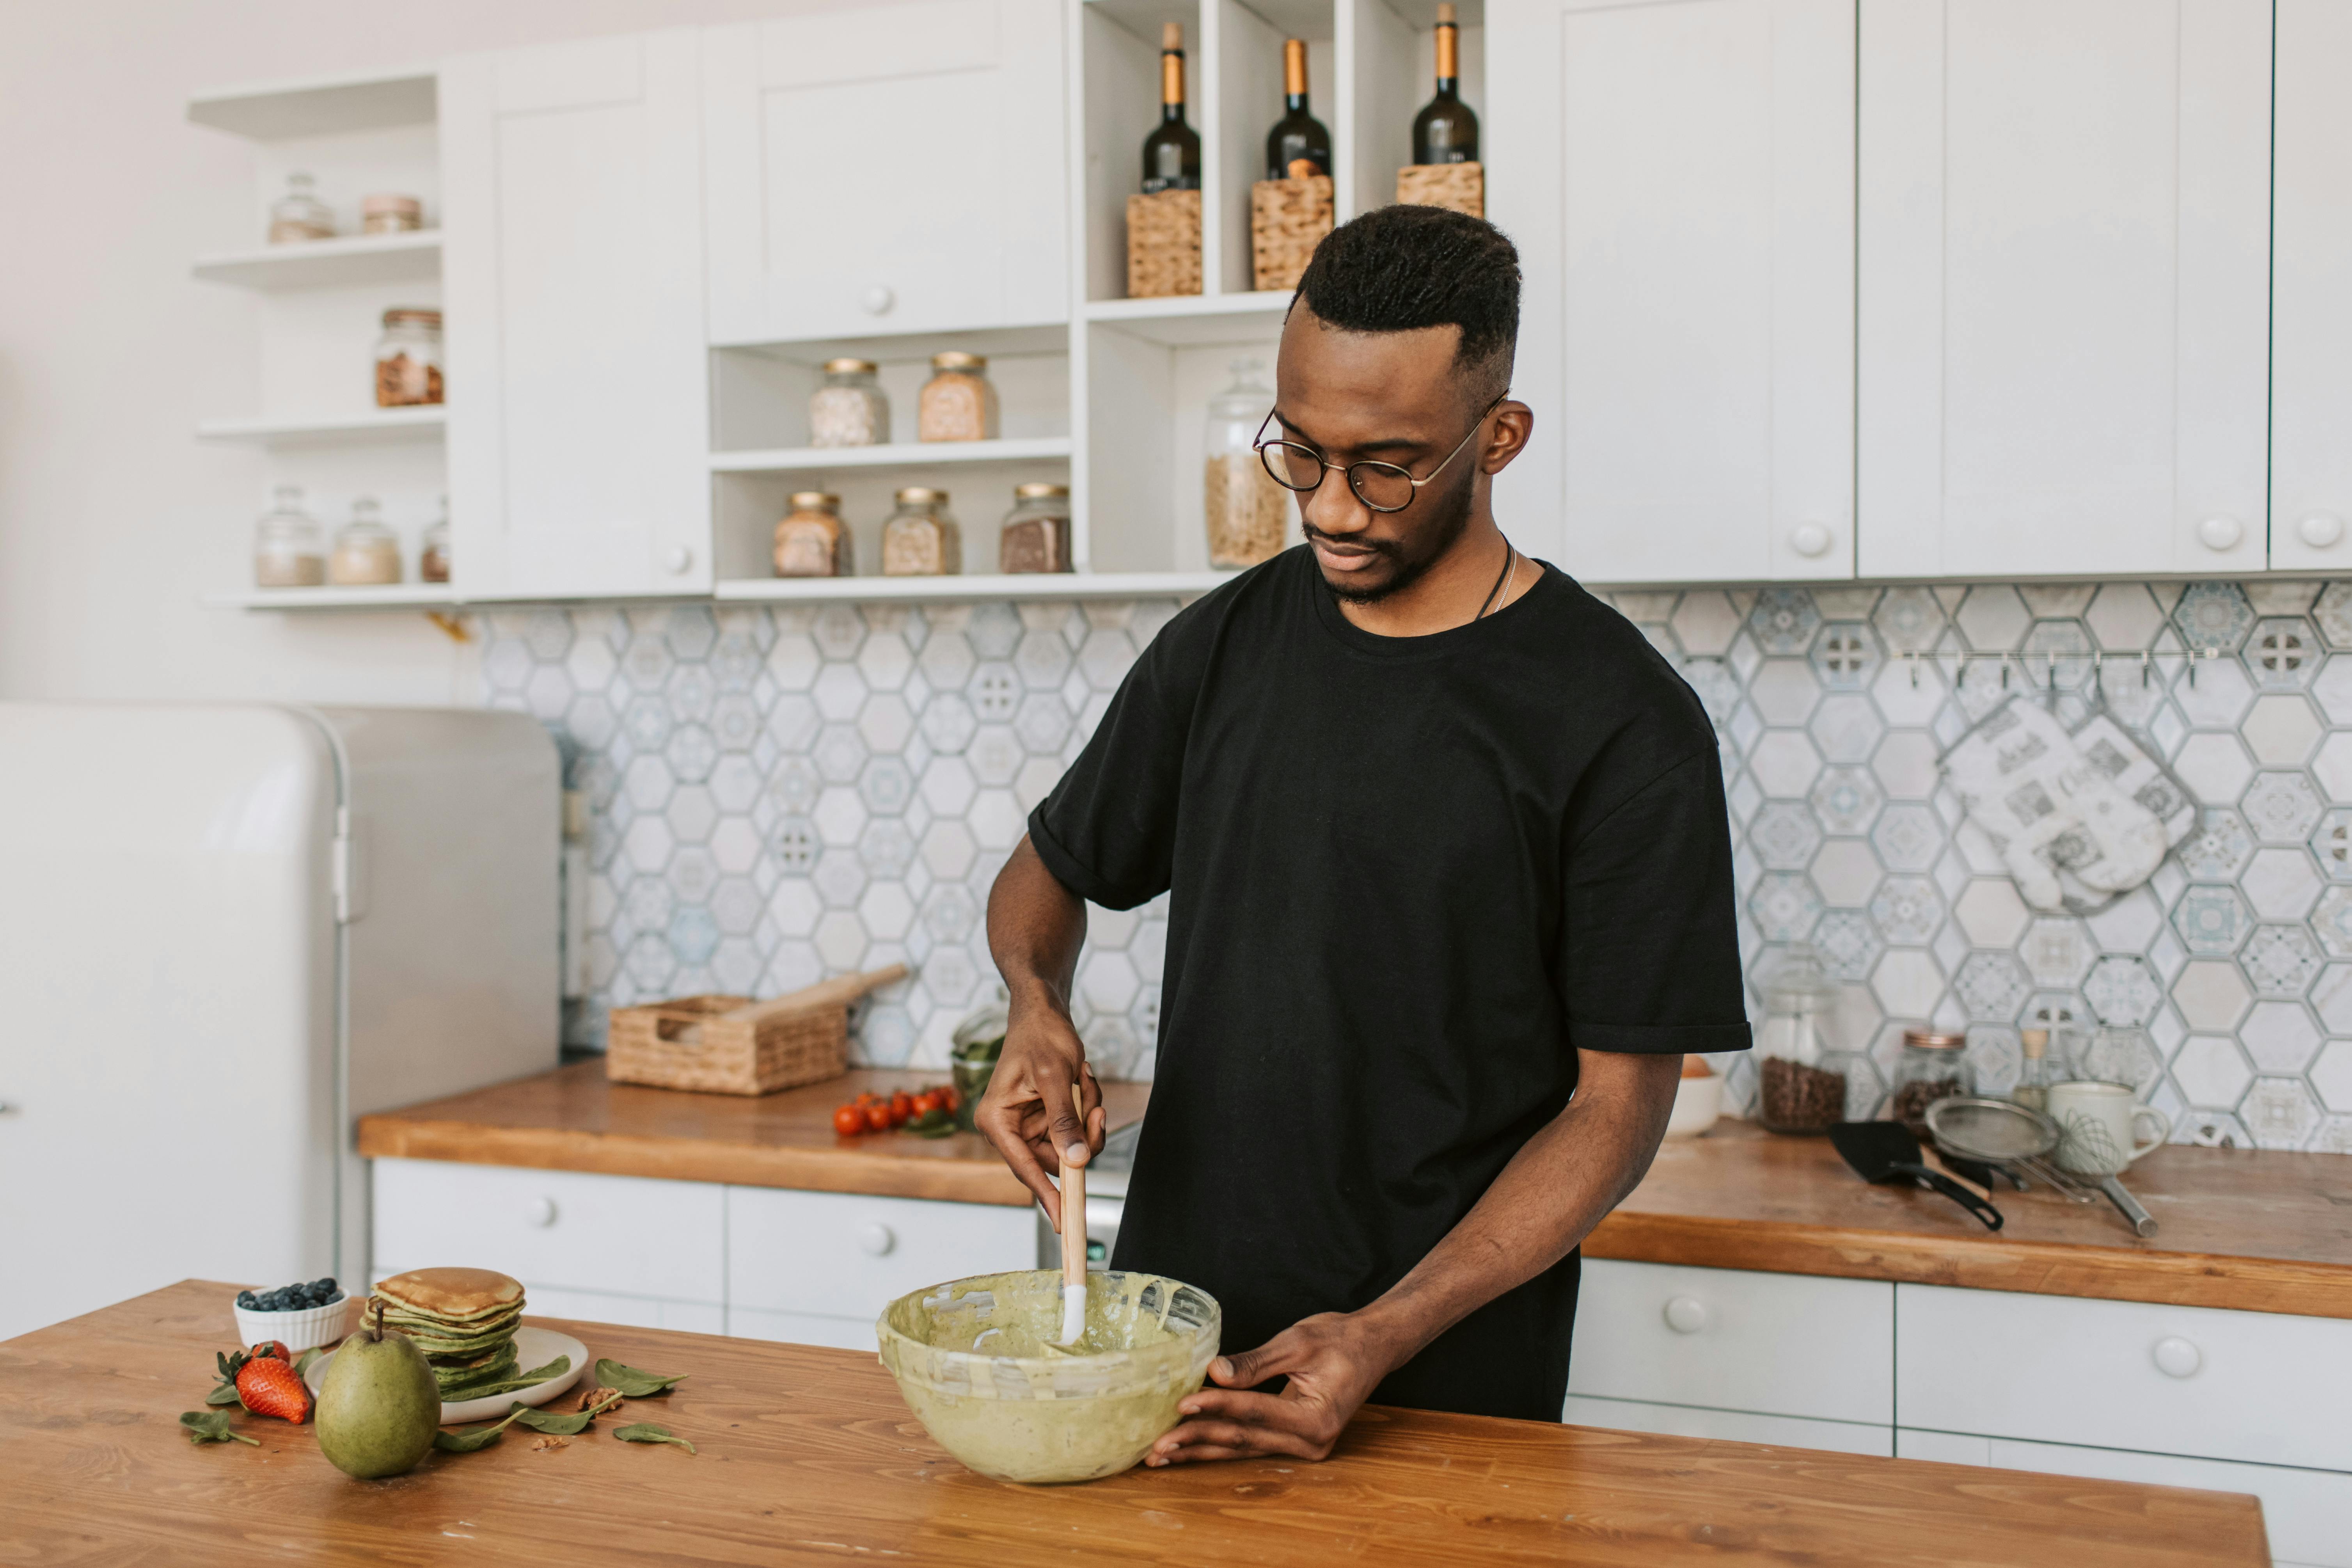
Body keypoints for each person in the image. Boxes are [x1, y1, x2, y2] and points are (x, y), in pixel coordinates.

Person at [975, 205, 1748, 1467]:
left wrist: (1382, 1333)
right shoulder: (1223, 646)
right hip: (1181, 1354)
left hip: (1448, 1382)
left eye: (1388, 464)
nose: (1332, 506)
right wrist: (1032, 996)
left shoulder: (1621, 720)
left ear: (1499, 437)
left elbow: (1618, 1107)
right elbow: (1048, 874)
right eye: (1304, 453)